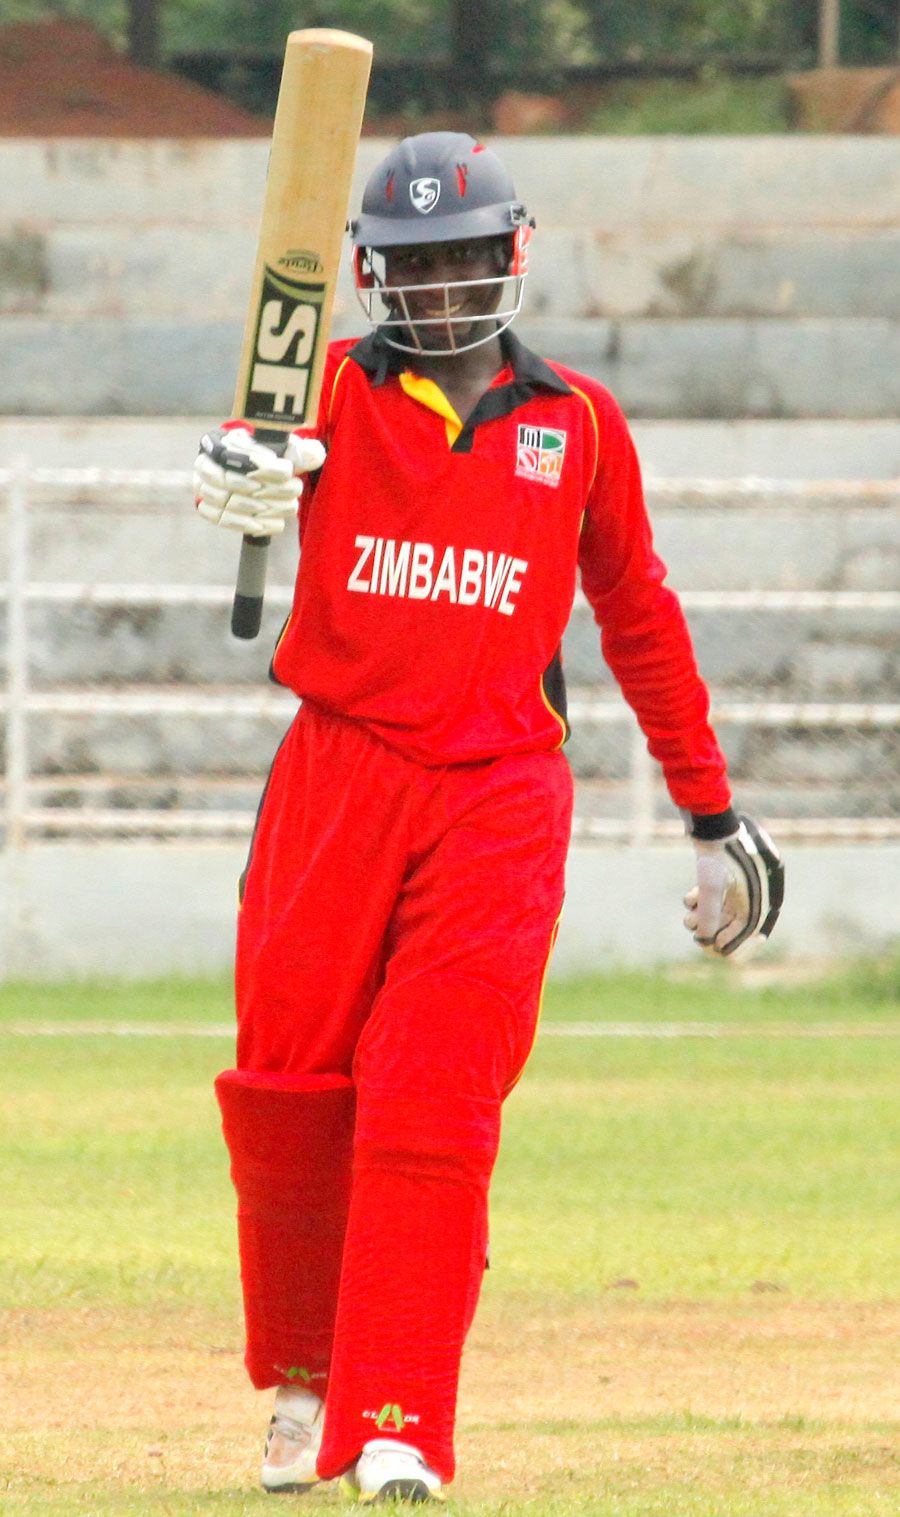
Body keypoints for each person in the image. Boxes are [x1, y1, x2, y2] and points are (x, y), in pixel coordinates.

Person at [193, 132, 784, 1504]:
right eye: (411, 267)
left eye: (464, 259)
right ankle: (305, 1374)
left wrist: (712, 811)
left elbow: (638, 611)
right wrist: (237, 472)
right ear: (367, 274)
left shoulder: (574, 423)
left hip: (498, 799)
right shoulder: (331, 384)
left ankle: (398, 1416)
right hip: (335, 774)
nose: (442, 289)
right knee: (289, 1093)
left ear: (513, 255)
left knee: (432, 1104)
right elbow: (251, 451)